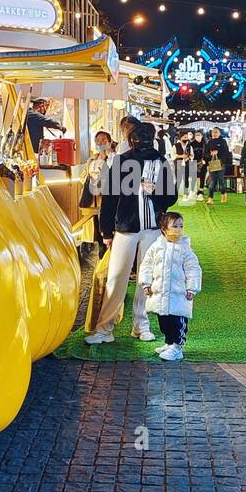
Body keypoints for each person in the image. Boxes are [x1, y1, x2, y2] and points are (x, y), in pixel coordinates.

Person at [85, 123, 178, 345]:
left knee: (145, 279)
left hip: (151, 227)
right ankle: (105, 327)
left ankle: (140, 325)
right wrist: (106, 230)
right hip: (126, 227)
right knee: (117, 276)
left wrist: (155, 192)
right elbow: (110, 197)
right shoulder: (123, 161)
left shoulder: (160, 161)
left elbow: (171, 196)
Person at [138, 211, 202, 361]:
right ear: (164, 229)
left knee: (177, 321)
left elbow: (194, 268)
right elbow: (146, 265)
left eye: (181, 226)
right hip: (160, 293)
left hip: (178, 294)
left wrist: (192, 287)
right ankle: (168, 343)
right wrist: (146, 283)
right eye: (174, 226)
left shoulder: (185, 249)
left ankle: (177, 347)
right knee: (164, 321)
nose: (178, 229)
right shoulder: (156, 247)